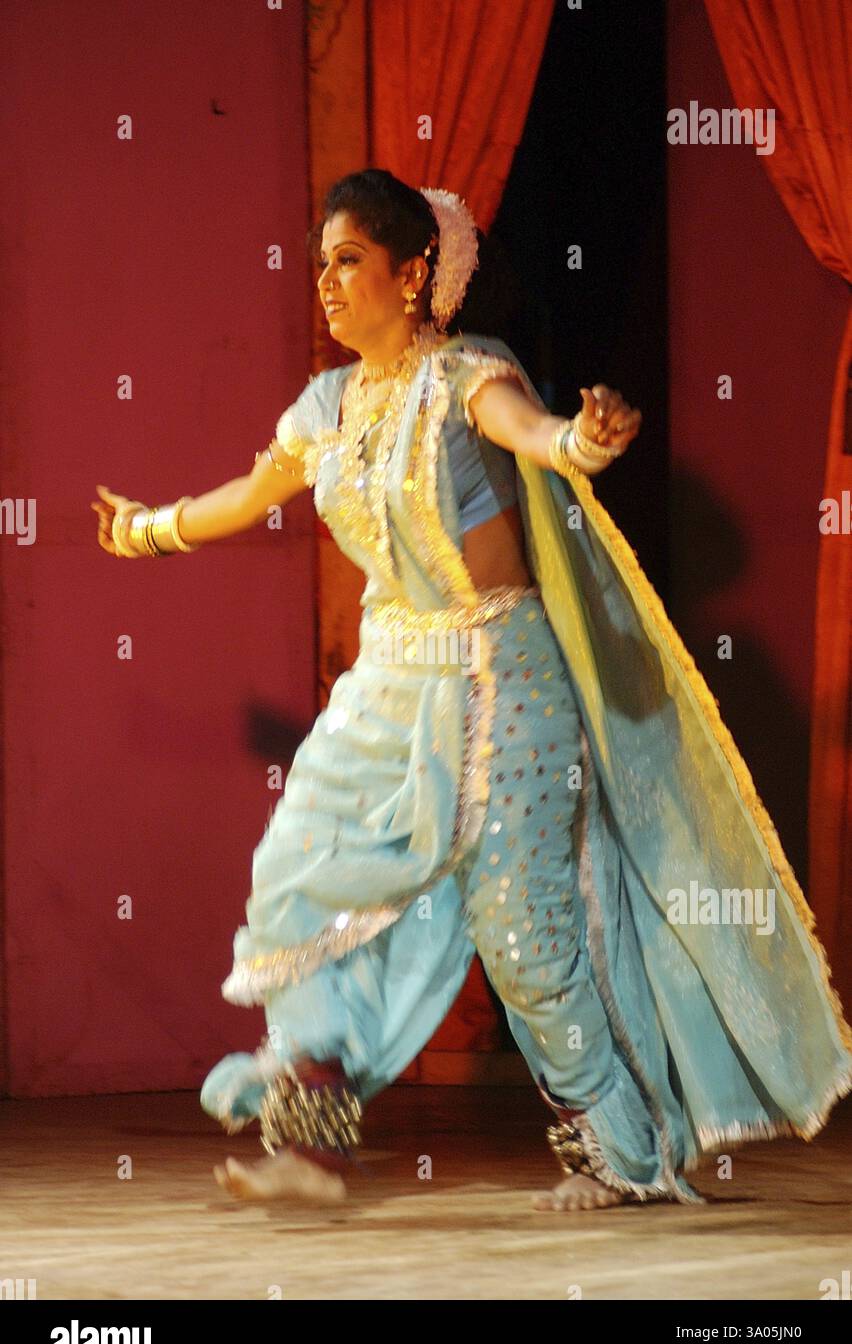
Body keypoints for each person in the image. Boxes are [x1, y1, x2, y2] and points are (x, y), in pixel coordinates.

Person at [92, 168, 852, 1213]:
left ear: (413, 277)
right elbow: (254, 487)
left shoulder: (467, 377)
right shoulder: (327, 405)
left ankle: (620, 1149)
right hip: (392, 680)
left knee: (526, 935)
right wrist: (151, 528)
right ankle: (313, 1138)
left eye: (348, 260)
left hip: (505, 680)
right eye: (319, 264)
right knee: (298, 870)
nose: (326, 281)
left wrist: (581, 441)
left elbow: (534, 433)